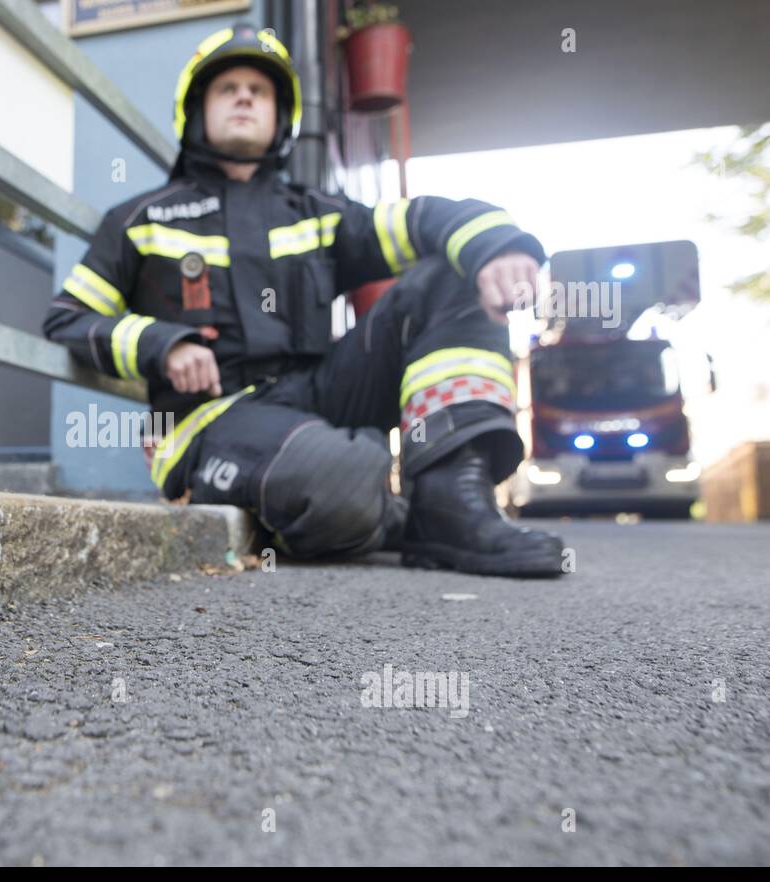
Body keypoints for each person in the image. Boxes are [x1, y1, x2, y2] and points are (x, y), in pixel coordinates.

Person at [43, 22, 565, 577]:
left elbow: (421, 221)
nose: (244, 96)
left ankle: (451, 500)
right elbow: (69, 319)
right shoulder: (140, 219)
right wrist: (160, 343)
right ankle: (377, 507)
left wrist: (497, 246)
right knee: (343, 477)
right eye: (228, 88)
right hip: (213, 418)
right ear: (196, 110)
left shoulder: (318, 212)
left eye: (259, 90)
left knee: (453, 273)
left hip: (319, 397)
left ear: (280, 116)